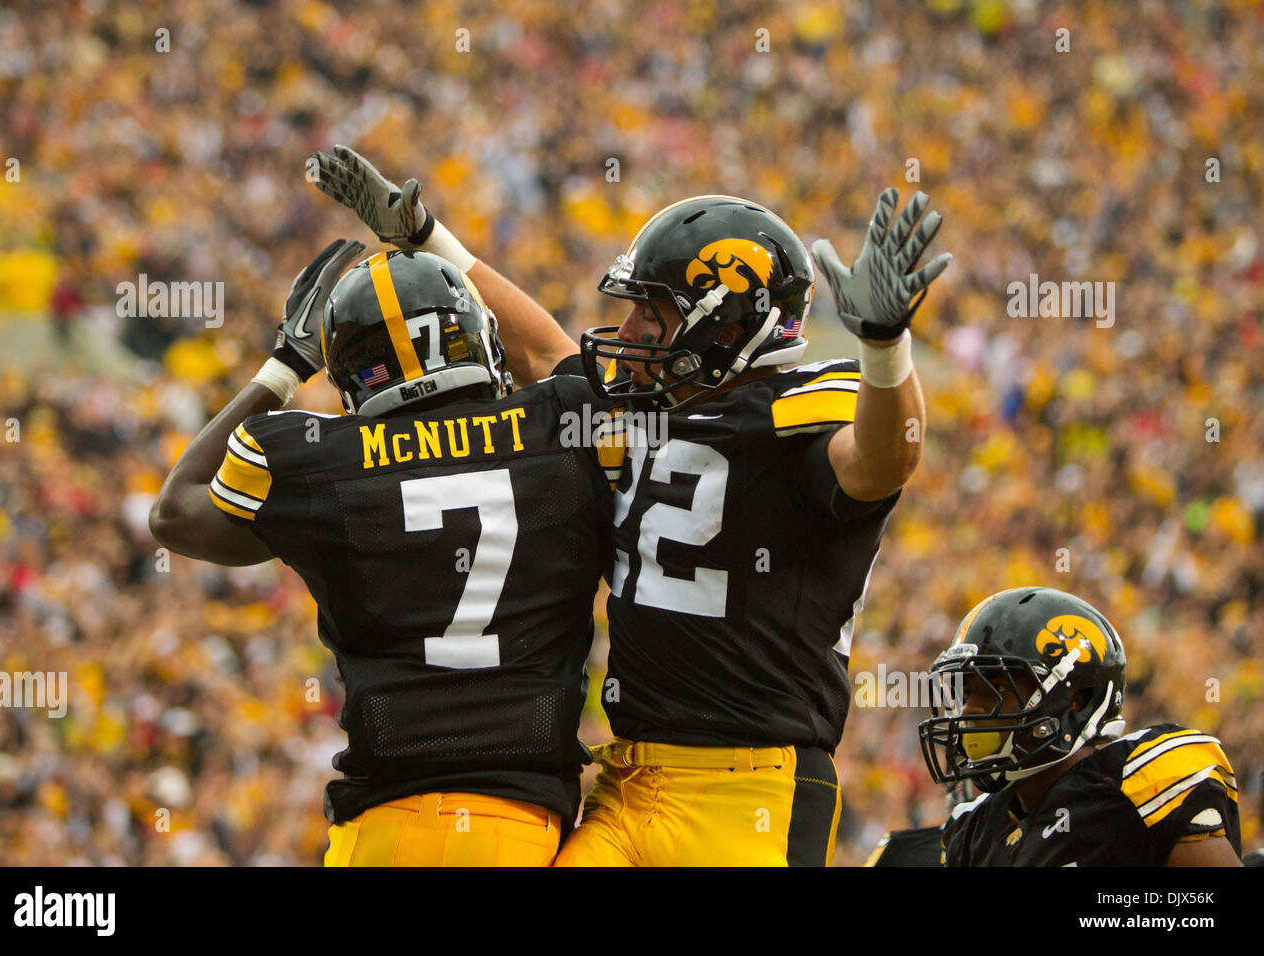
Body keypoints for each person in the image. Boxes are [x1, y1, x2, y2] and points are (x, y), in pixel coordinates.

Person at [313, 145, 951, 865]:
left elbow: (881, 460)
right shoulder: (639, 407)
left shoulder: (799, 415)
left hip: (750, 791)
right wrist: (429, 238)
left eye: (655, 312)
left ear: (730, 324)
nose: (633, 331)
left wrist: (886, 349)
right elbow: (543, 352)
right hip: (628, 780)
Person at [150, 238, 618, 865]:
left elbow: (176, 512)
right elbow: (551, 352)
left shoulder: (317, 458)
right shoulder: (562, 423)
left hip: (382, 833)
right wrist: (433, 234)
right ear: (477, 338)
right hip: (518, 827)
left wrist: (284, 365)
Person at [918, 586, 1242, 866]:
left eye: (998, 690)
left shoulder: (1135, 789)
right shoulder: (972, 833)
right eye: (969, 692)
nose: (970, 709)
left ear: (1077, 700)